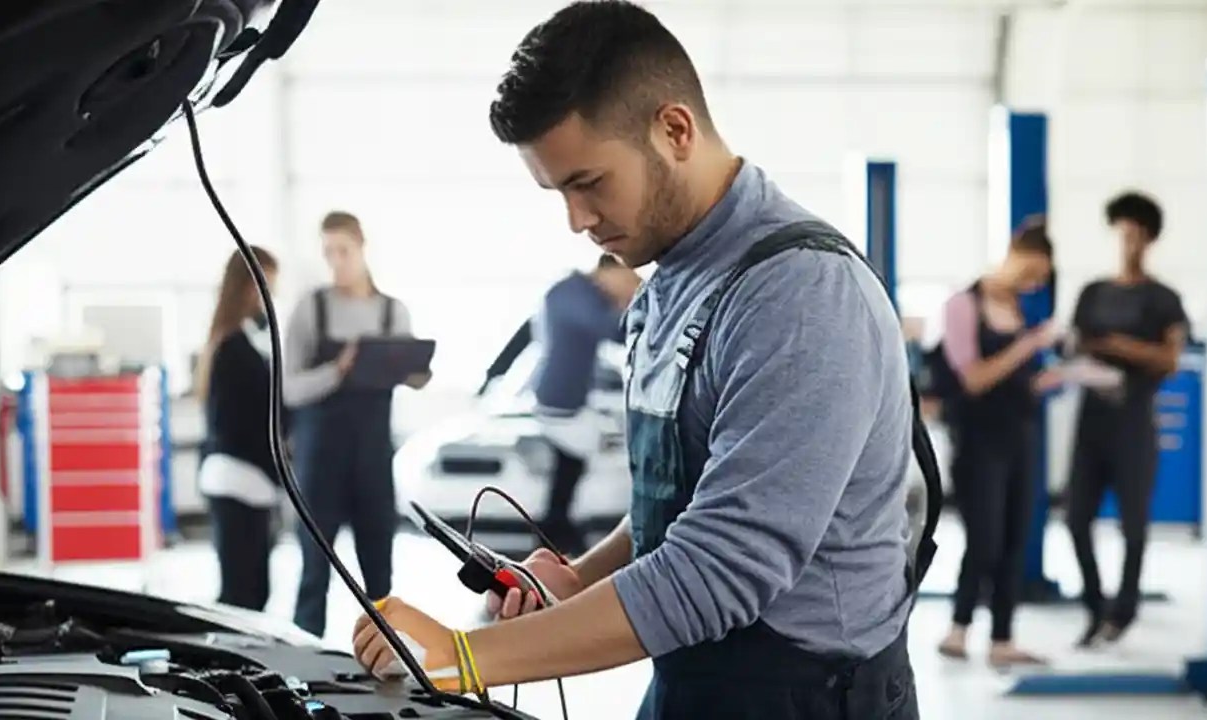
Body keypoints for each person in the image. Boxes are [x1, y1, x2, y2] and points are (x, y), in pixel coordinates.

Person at [352, 3, 922, 717]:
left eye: (589, 182)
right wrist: (578, 581)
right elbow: (692, 504)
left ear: (674, 129)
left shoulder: (800, 296)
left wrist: (467, 657)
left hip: (805, 697)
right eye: (558, 192)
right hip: (694, 681)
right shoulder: (668, 285)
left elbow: (723, 564)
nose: (577, 220)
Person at [285, 211, 431, 638]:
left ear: (362, 248)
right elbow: (290, 390)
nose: (336, 262)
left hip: (372, 457)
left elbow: (412, 374)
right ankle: (302, 662)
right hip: (320, 459)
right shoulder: (310, 309)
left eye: (343, 251)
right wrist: (338, 369)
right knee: (315, 569)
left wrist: (415, 374)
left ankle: (386, 658)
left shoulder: (393, 313)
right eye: (328, 252)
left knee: (379, 573)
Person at [934, 219, 1061, 666]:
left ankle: (1003, 639)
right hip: (978, 439)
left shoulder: (1018, 309)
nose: (1034, 284)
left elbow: (1018, 382)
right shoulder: (962, 304)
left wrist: (1060, 377)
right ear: (1016, 253)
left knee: (1014, 538)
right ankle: (958, 629)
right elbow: (975, 378)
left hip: (1020, 436)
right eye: (1033, 272)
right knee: (983, 537)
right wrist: (1028, 346)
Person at [1066, 191, 1187, 647]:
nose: (1128, 243)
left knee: (1134, 524)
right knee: (1077, 519)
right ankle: (1095, 607)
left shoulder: (1163, 299)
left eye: (1137, 236)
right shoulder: (1093, 292)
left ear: (1149, 240)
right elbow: (1076, 342)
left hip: (1134, 420)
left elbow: (1169, 358)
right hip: (1091, 419)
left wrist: (1117, 345)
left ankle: (1125, 609)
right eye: (1123, 234)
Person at [531, 253, 640, 554]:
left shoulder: (576, 292)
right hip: (559, 400)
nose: (631, 289)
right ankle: (558, 534)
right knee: (586, 455)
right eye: (629, 280)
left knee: (568, 470)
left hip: (563, 397)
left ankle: (555, 535)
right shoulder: (574, 293)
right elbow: (616, 330)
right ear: (610, 269)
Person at [195, 246, 281, 612]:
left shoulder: (233, 342)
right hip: (240, 477)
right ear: (248, 287)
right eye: (268, 287)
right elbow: (241, 423)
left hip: (238, 478)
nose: (271, 298)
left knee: (246, 590)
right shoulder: (235, 349)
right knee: (243, 597)